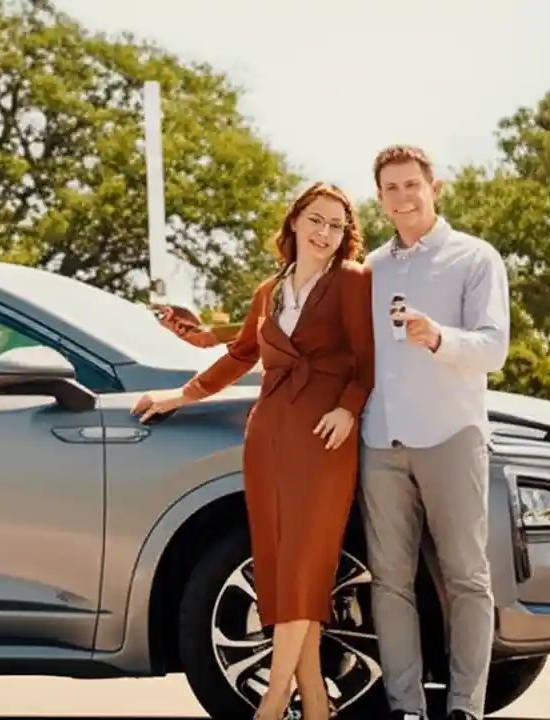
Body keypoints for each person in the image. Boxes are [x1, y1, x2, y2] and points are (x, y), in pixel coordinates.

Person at [134, 181, 375, 720]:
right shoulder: (269, 290)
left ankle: (270, 702)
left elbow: (367, 357)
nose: (326, 233)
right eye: (317, 220)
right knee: (274, 563)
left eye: (337, 225)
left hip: (323, 436)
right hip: (266, 434)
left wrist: (348, 408)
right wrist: (183, 394)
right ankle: (314, 700)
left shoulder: (356, 281)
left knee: (307, 564)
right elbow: (242, 353)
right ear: (294, 222)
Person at [362, 145, 511, 720]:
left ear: (435, 186)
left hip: (452, 436)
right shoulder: (369, 269)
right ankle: (405, 709)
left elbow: (494, 348)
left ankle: (464, 708)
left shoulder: (475, 259)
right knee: (390, 582)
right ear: (379, 199)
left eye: (411, 185)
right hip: (382, 441)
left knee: (467, 577)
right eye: (391, 189)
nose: (403, 197)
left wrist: (437, 337)